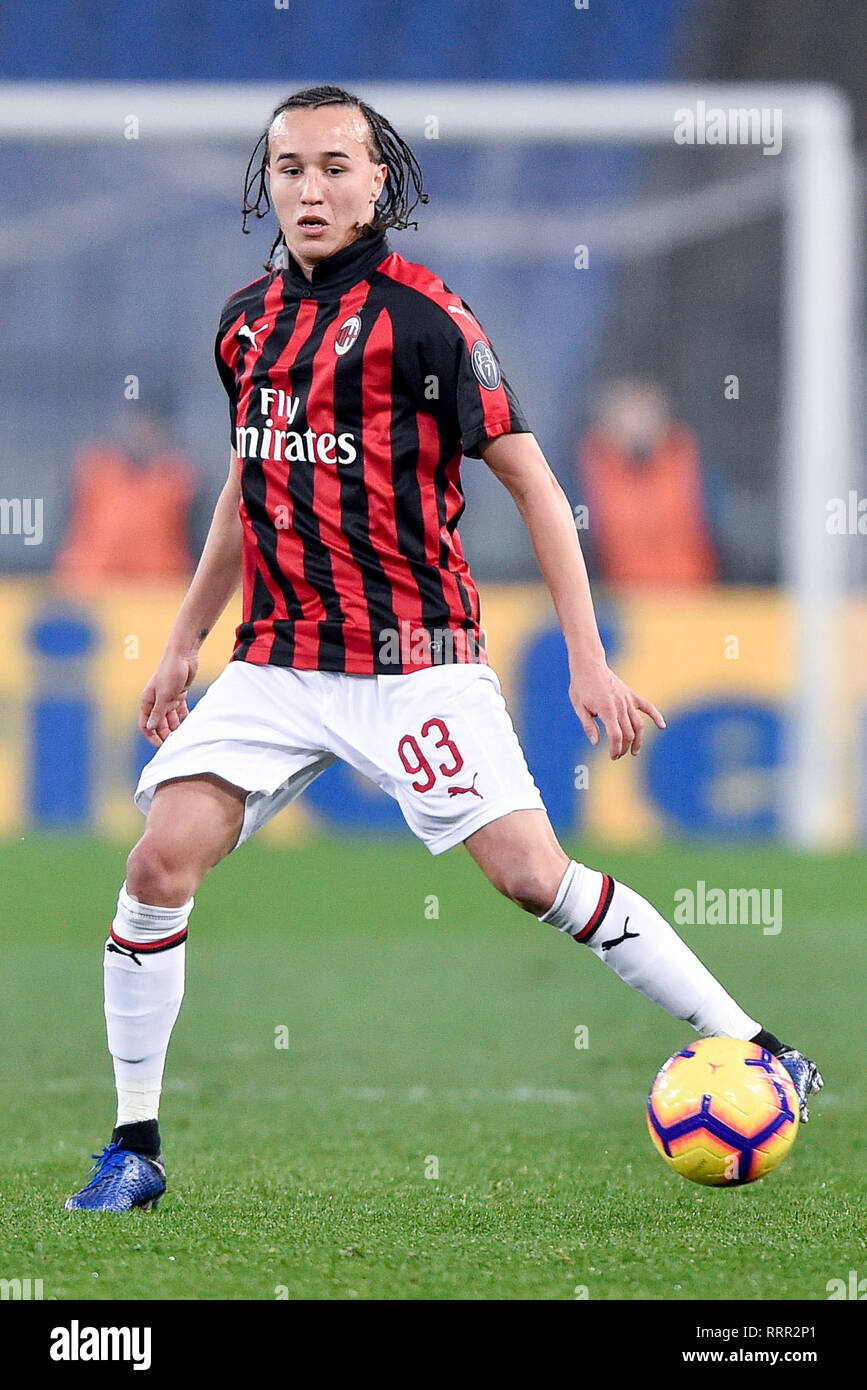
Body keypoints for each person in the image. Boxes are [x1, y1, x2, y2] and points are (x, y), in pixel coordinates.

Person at [65, 86, 822, 1213]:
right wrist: (185, 640)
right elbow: (245, 485)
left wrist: (589, 657)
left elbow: (535, 481)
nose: (311, 189)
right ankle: (134, 1147)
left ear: (382, 182)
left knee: (534, 878)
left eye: (335, 167)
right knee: (155, 865)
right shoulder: (245, 323)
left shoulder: (429, 323)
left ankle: (762, 1049)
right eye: (290, 170)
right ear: (263, 183)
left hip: (417, 662)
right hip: (277, 665)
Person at [576, 378, 717, 588]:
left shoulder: (691, 466)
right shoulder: (590, 472)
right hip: (620, 601)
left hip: (694, 599)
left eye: (643, 412)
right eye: (628, 414)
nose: (636, 424)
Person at [54, 403, 197, 588]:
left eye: (149, 426)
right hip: (92, 589)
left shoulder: (179, 478)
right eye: (136, 424)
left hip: (160, 592)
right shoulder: (93, 471)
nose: (141, 433)